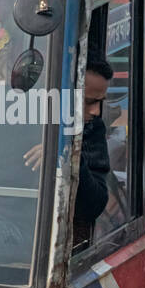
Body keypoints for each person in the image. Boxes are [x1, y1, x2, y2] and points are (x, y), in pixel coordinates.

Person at [25, 53, 112, 249]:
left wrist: (71, 157)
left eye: (100, 102)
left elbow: (95, 205)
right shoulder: (16, 118)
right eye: (89, 102)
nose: (97, 111)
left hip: (52, 241)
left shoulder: (92, 129)